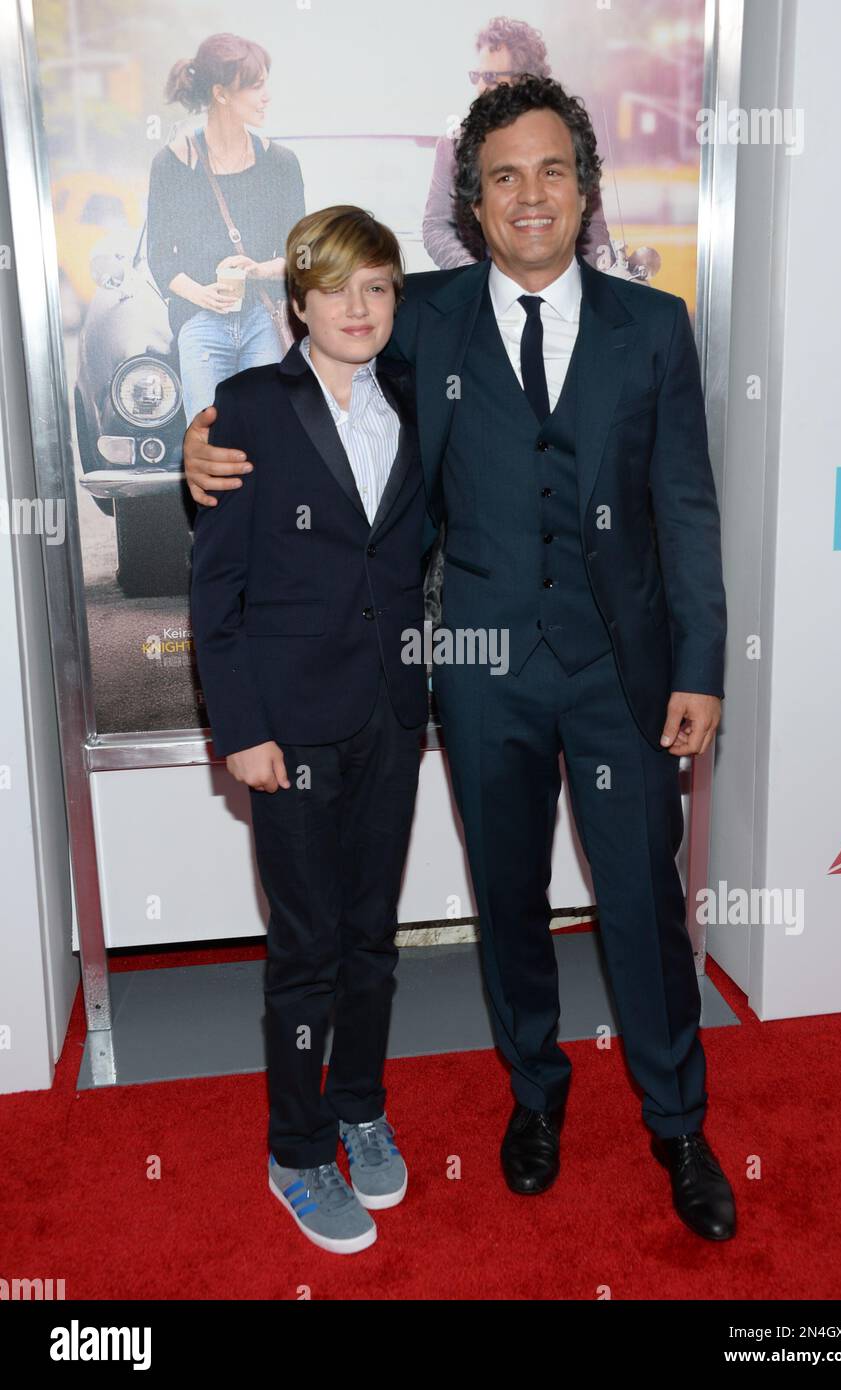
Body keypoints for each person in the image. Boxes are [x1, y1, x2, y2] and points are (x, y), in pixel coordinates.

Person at [183, 76, 736, 1243]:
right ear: (473, 202)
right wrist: (206, 434)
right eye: (502, 177)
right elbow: (303, 375)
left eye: (551, 172)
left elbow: (687, 509)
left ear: (585, 190)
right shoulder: (420, 314)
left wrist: (700, 666)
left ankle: (679, 1124)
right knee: (510, 901)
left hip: (622, 675)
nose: (528, 196)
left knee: (641, 897)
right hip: (481, 672)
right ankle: (536, 1096)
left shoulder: (656, 328)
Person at [189, 206, 429, 1254]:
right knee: (307, 947)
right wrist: (240, 728)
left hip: (390, 709)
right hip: (288, 725)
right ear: (296, 302)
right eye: (335, 288)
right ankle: (296, 1149)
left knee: (375, 934)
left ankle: (360, 1106)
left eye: (376, 287)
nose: (357, 307)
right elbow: (217, 589)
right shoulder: (246, 405)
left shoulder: (421, 400)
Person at [147, 32, 306, 426]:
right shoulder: (173, 164)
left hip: (264, 319)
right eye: (255, 86)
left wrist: (258, 270)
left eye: (265, 83)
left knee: (269, 439)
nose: (266, 96)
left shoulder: (281, 163)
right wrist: (202, 295)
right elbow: (160, 259)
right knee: (211, 443)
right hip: (199, 324)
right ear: (220, 93)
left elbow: (301, 256)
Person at [422, 16, 613, 273]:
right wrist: (474, 274)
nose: (480, 86)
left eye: (489, 76)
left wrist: (587, 286)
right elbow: (436, 225)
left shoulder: (566, 140)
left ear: (525, 78)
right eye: (476, 76)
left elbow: (594, 227)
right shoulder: (452, 147)